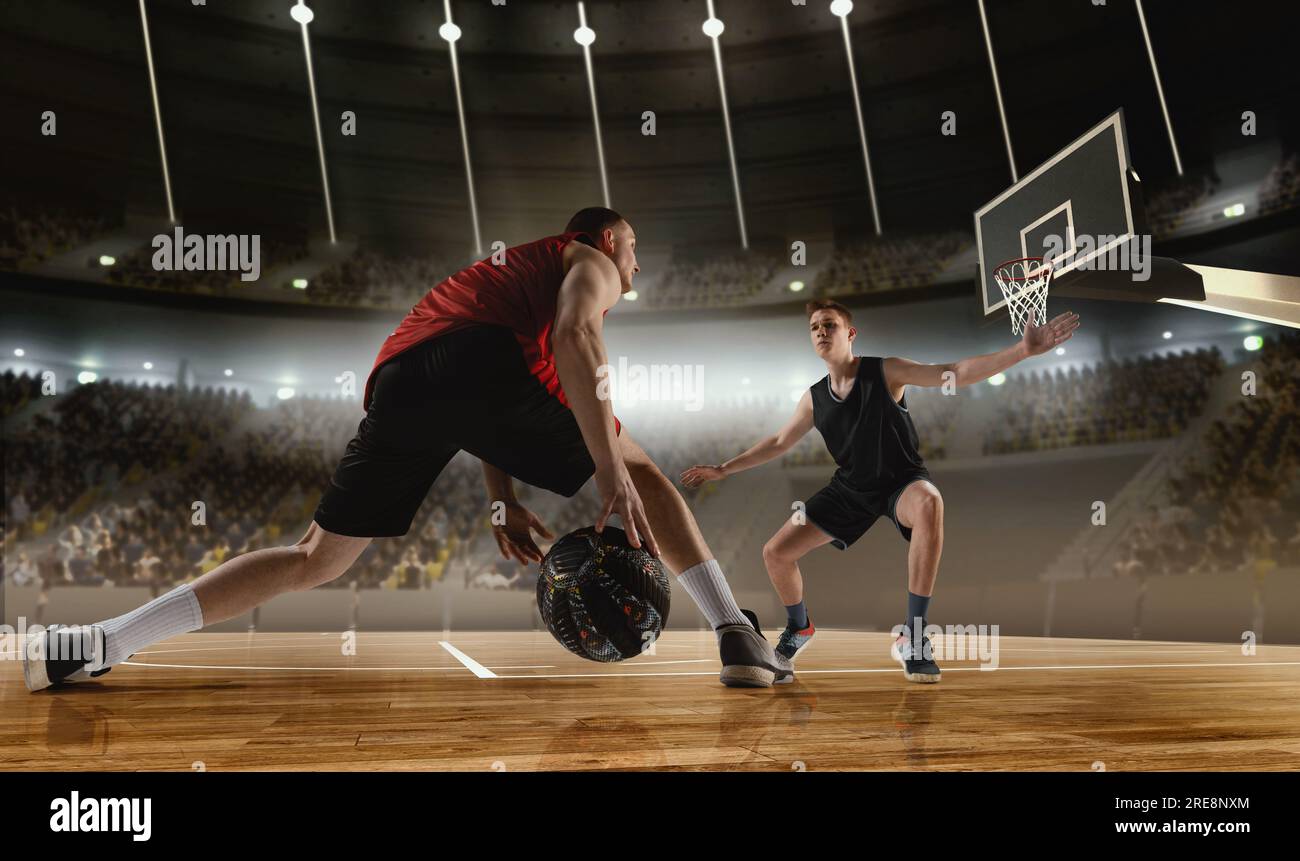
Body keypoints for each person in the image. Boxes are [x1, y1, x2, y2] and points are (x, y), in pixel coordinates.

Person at [25, 207, 789, 692]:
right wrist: (613, 470)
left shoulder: (508, 285)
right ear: (611, 238)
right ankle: (736, 633)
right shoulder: (586, 258)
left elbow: (477, 397)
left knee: (314, 557)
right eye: (635, 252)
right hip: (472, 364)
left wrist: (502, 497)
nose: (637, 268)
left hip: (404, 378)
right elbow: (574, 332)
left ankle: (99, 641)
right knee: (646, 470)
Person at [682, 298, 1079, 683]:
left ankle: (914, 634)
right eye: (815, 327)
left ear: (850, 333)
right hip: (850, 488)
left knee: (929, 502)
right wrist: (723, 469)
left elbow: (953, 371)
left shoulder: (886, 371)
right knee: (776, 553)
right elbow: (779, 441)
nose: (821, 332)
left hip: (900, 480)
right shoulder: (813, 398)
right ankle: (799, 627)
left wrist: (1022, 351)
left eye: (830, 325)